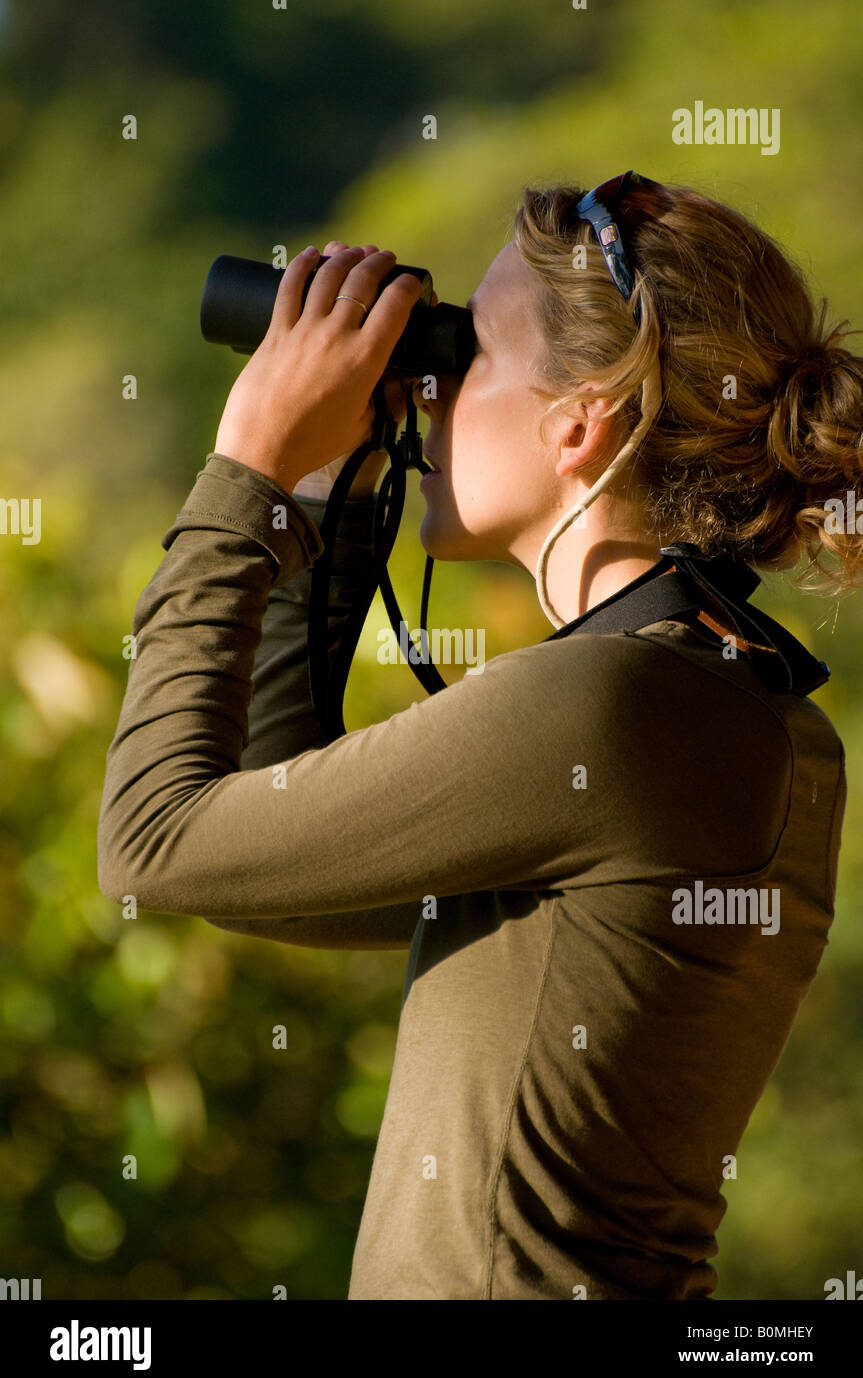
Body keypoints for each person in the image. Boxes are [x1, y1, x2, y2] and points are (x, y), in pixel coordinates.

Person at [98, 173, 862, 1300]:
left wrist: (246, 472)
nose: (426, 393)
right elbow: (252, 857)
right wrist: (322, 490)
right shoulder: (722, 696)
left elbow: (152, 842)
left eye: (460, 360)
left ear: (580, 420)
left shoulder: (611, 704)